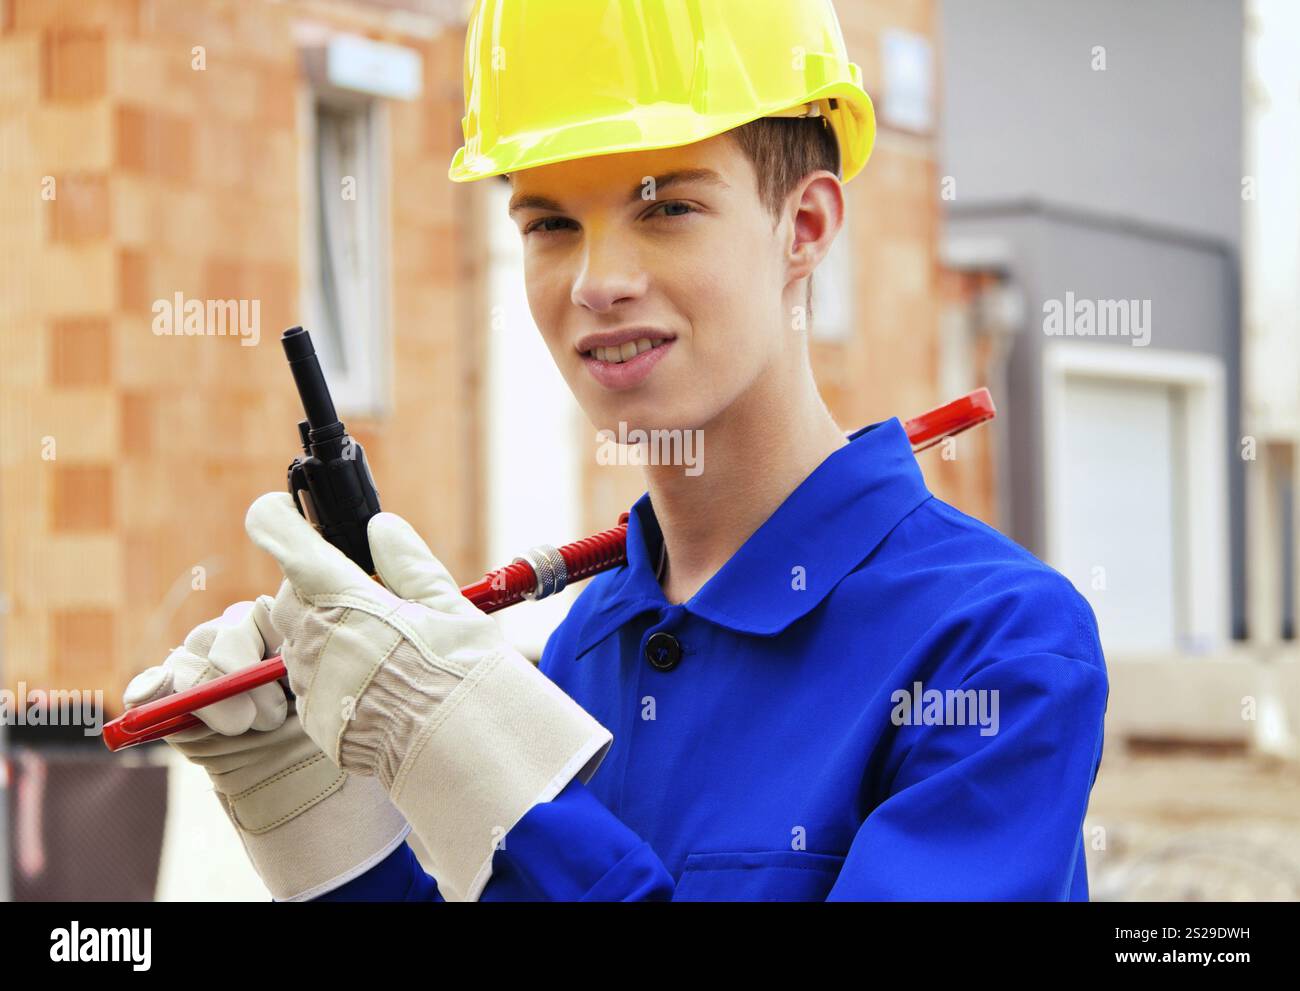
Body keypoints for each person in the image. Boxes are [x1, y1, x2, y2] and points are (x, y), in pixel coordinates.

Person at [124, 0, 1108, 902]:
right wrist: (322, 827)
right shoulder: (588, 646)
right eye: (550, 222)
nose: (596, 282)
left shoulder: (995, 644)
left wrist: (506, 774)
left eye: (667, 207)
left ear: (802, 225)